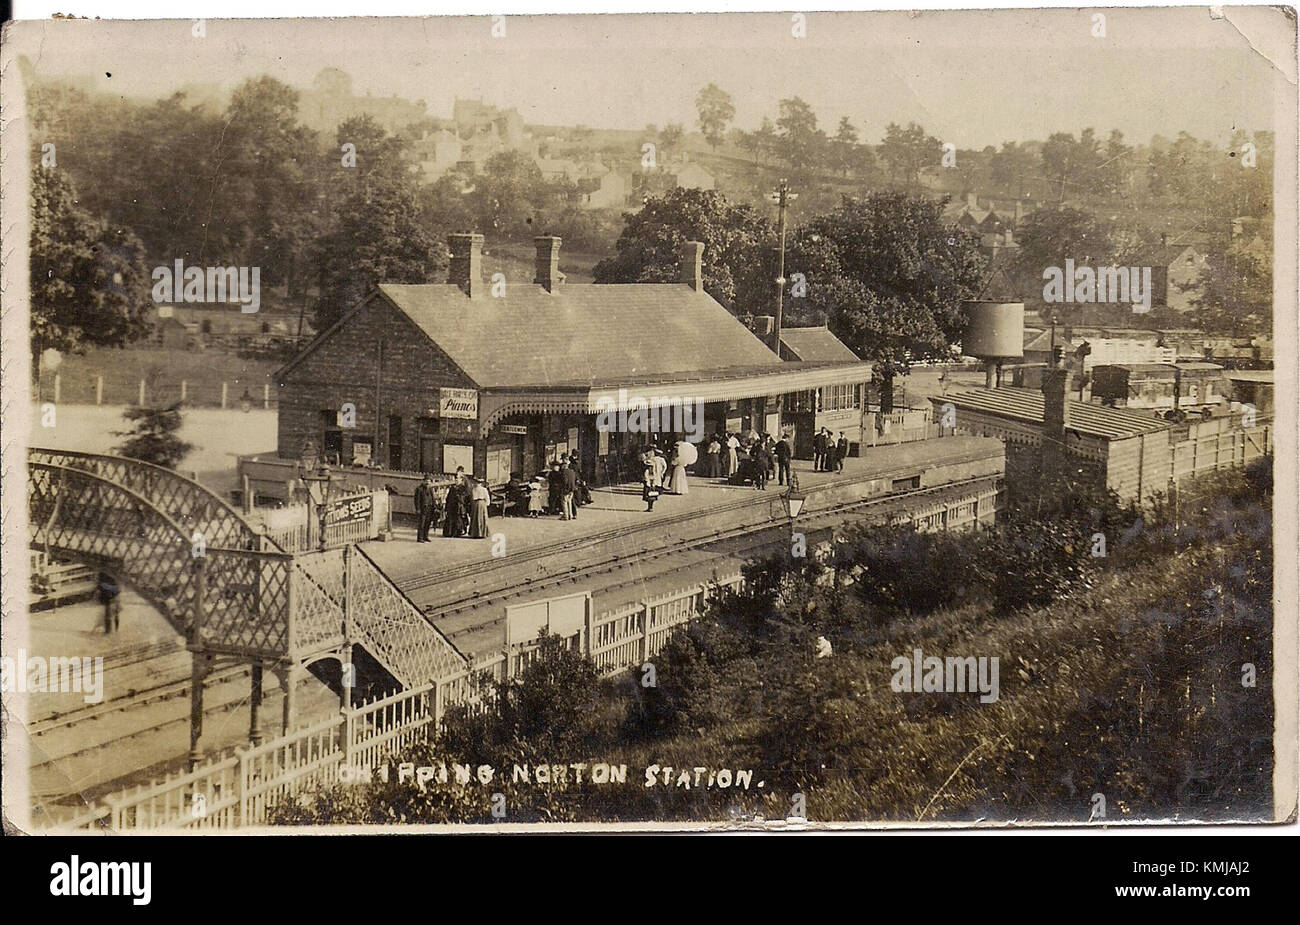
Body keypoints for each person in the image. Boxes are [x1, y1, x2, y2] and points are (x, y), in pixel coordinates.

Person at [442, 468, 467, 537]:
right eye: (455, 479)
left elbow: (464, 498)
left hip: (458, 507)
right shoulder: (452, 488)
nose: (456, 480)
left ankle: (457, 533)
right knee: (450, 520)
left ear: (461, 480)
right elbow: (448, 498)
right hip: (451, 506)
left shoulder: (463, 488)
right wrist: (446, 507)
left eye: (458, 479)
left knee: (458, 520)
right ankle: (449, 533)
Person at [414, 474, 437, 542]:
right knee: (422, 524)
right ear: (423, 481)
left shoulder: (430, 489)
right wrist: (418, 509)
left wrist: (434, 506)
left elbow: (433, 498)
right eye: (426, 481)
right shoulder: (419, 489)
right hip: (422, 509)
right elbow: (416, 500)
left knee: (428, 523)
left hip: (429, 509)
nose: (428, 483)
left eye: (429, 481)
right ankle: (420, 538)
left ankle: (425, 536)